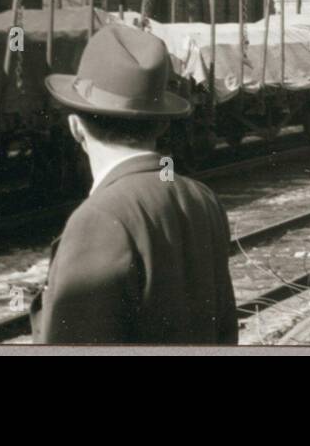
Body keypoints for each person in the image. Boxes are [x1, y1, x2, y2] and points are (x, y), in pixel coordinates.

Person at [32, 25, 238, 344]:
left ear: (76, 128)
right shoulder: (202, 199)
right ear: (160, 123)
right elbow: (225, 331)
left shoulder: (98, 219)